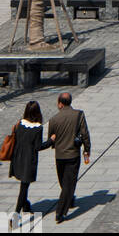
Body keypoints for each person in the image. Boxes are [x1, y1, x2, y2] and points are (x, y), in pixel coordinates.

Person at [47, 91, 91, 223]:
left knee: (64, 182)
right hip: (73, 154)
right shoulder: (79, 115)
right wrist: (86, 149)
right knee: (69, 184)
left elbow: (51, 139)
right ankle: (61, 211)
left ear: (60, 103)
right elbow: (85, 134)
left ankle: (65, 205)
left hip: (60, 155)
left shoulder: (54, 119)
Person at [8, 99, 49, 218]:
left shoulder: (19, 124)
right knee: (24, 188)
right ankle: (16, 214)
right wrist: (51, 141)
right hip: (28, 161)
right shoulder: (38, 128)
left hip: (17, 159)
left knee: (23, 185)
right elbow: (38, 147)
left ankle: (26, 206)